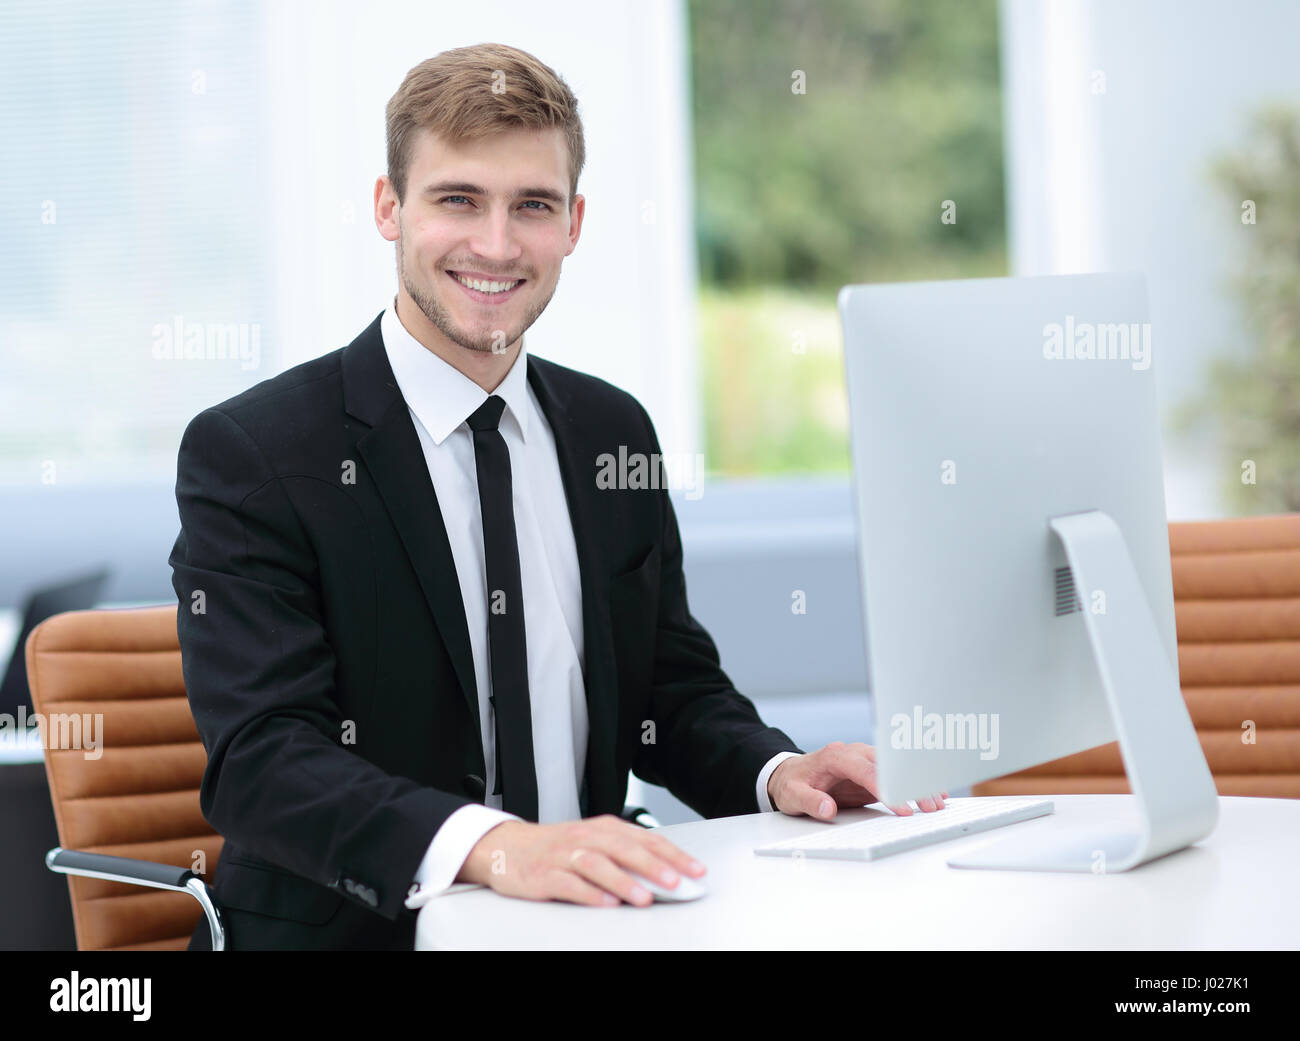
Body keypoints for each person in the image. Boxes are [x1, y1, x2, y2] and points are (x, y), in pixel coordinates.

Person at [170, 41, 945, 951]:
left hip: (585, 930)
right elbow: (265, 764)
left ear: (573, 223)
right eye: (458, 198)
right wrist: (496, 848)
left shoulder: (613, 433)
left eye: (531, 206)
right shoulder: (256, 452)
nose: (496, 245)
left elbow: (669, 690)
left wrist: (778, 770)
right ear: (389, 208)